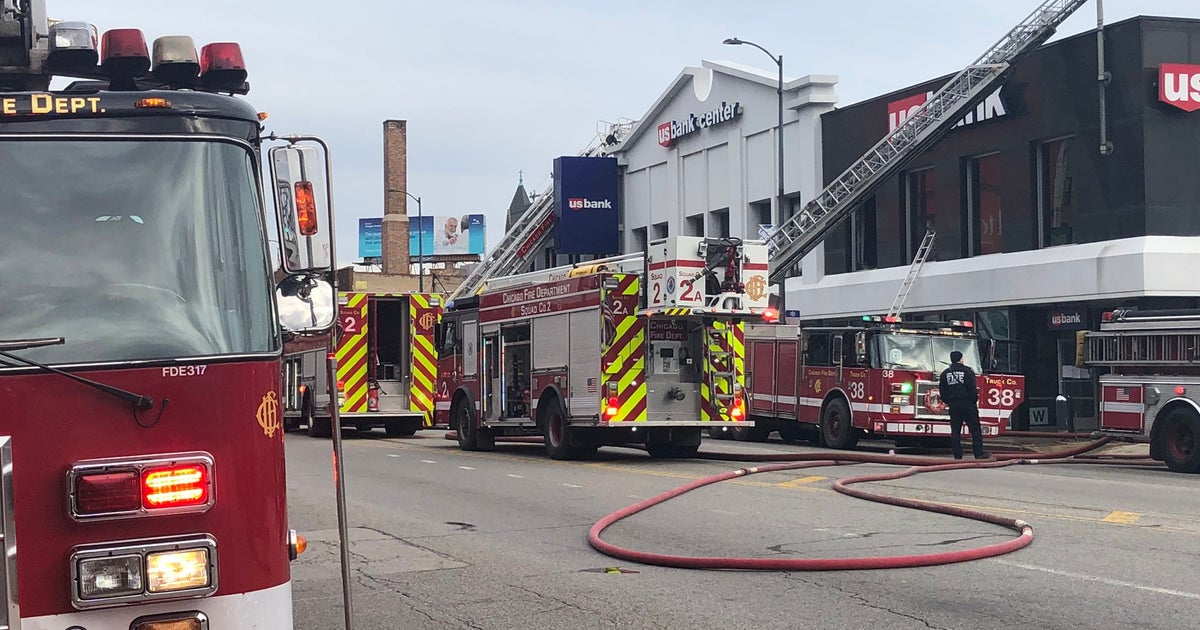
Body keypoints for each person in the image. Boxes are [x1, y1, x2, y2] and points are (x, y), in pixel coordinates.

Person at [938, 350, 990, 460]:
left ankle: (957, 454)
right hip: (967, 404)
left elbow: (942, 391)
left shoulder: (945, 373)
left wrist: (948, 401)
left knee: (955, 430)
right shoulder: (967, 372)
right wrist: (973, 400)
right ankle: (979, 453)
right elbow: (972, 388)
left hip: (953, 405)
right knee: (975, 429)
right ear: (961, 359)